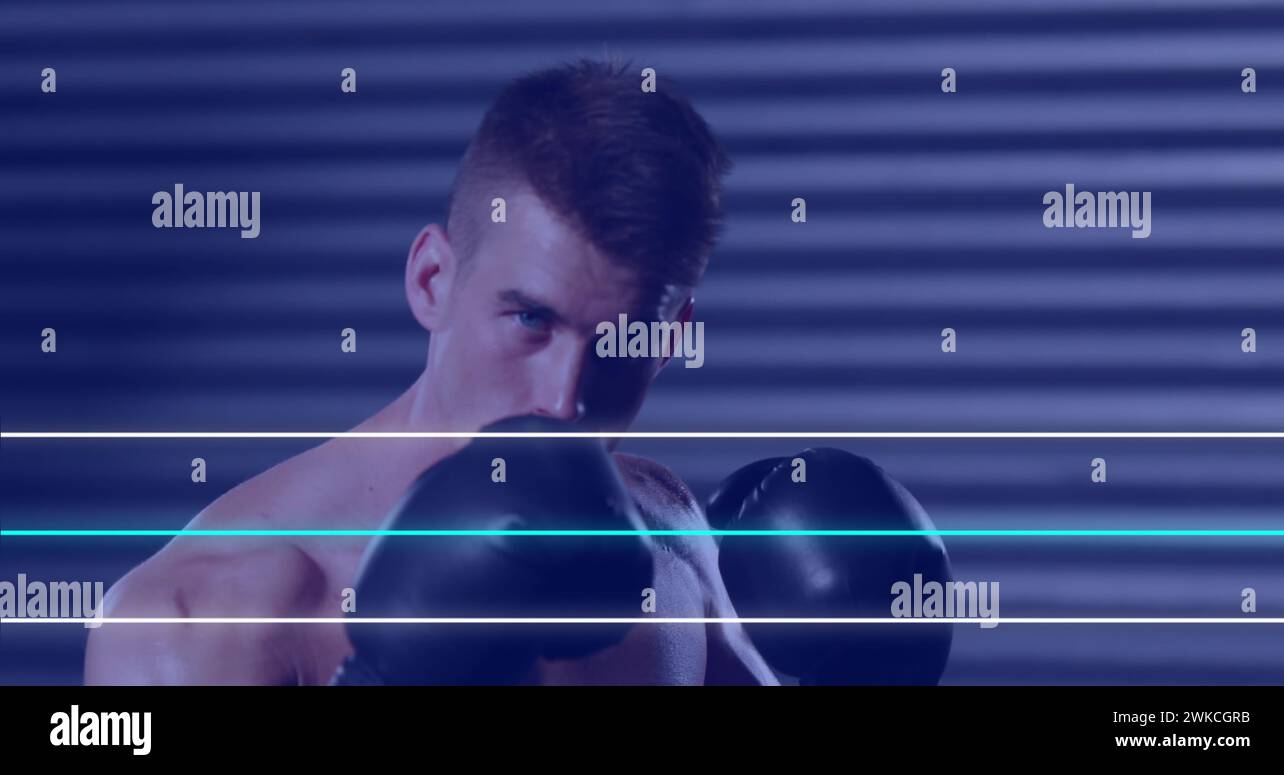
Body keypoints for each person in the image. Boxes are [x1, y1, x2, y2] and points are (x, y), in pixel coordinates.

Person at [86, 59, 777, 685]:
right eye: (531, 319)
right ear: (430, 280)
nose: (565, 398)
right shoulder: (195, 625)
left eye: (618, 343)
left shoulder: (667, 525)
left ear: (670, 341)